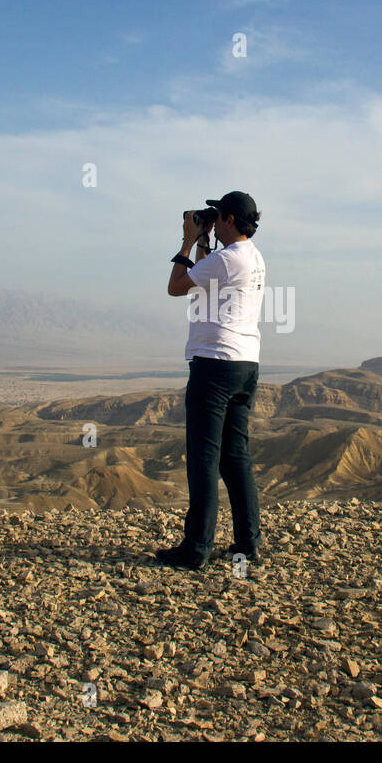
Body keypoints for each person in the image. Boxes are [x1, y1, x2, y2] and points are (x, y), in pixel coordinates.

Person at [159, 191, 265, 570]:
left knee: (204, 458)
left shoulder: (225, 259)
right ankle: (247, 544)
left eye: (218, 215)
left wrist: (188, 240)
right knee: (236, 457)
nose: (214, 220)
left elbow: (176, 285)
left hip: (214, 364)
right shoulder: (252, 258)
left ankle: (197, 547)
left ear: (231, 220)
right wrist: (205, 240)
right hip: (245, 364)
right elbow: (206, 281)